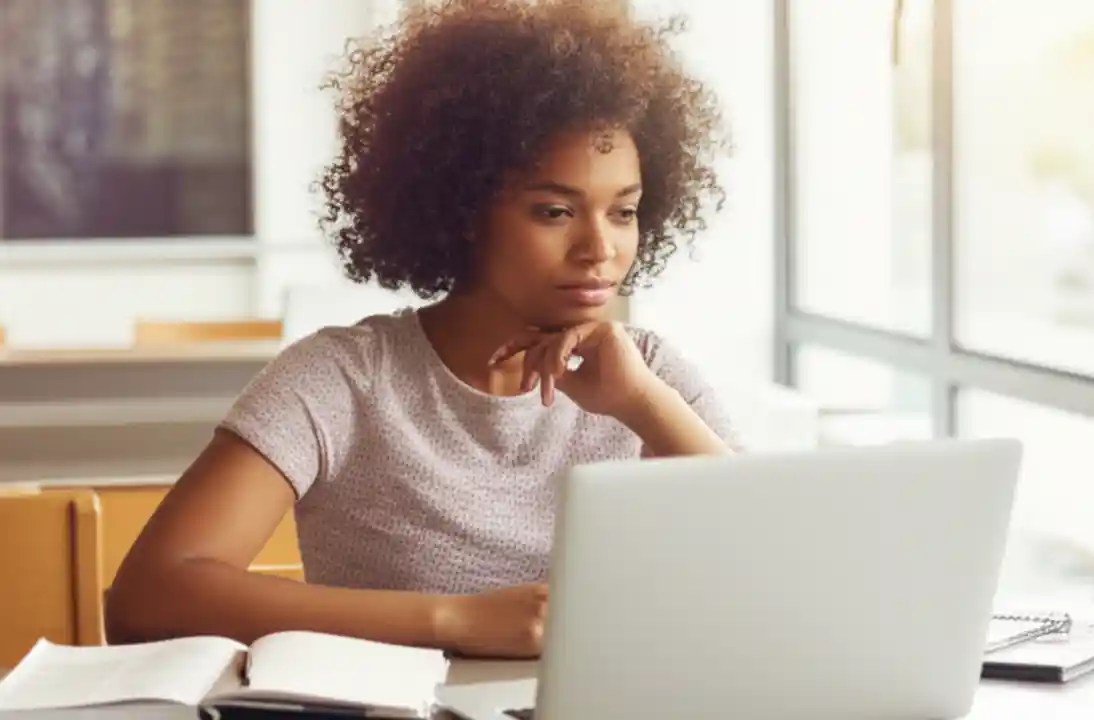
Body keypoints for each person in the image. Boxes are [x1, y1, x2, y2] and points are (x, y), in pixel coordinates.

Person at [105, 0, 735, 659]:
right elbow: (148, 600)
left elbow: (777, 576)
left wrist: (644, 406)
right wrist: (453, 620)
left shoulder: (649, 375)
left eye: (624, 211)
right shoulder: (341, 380)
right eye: (555, 211)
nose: (599, 248)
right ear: (463, 209)